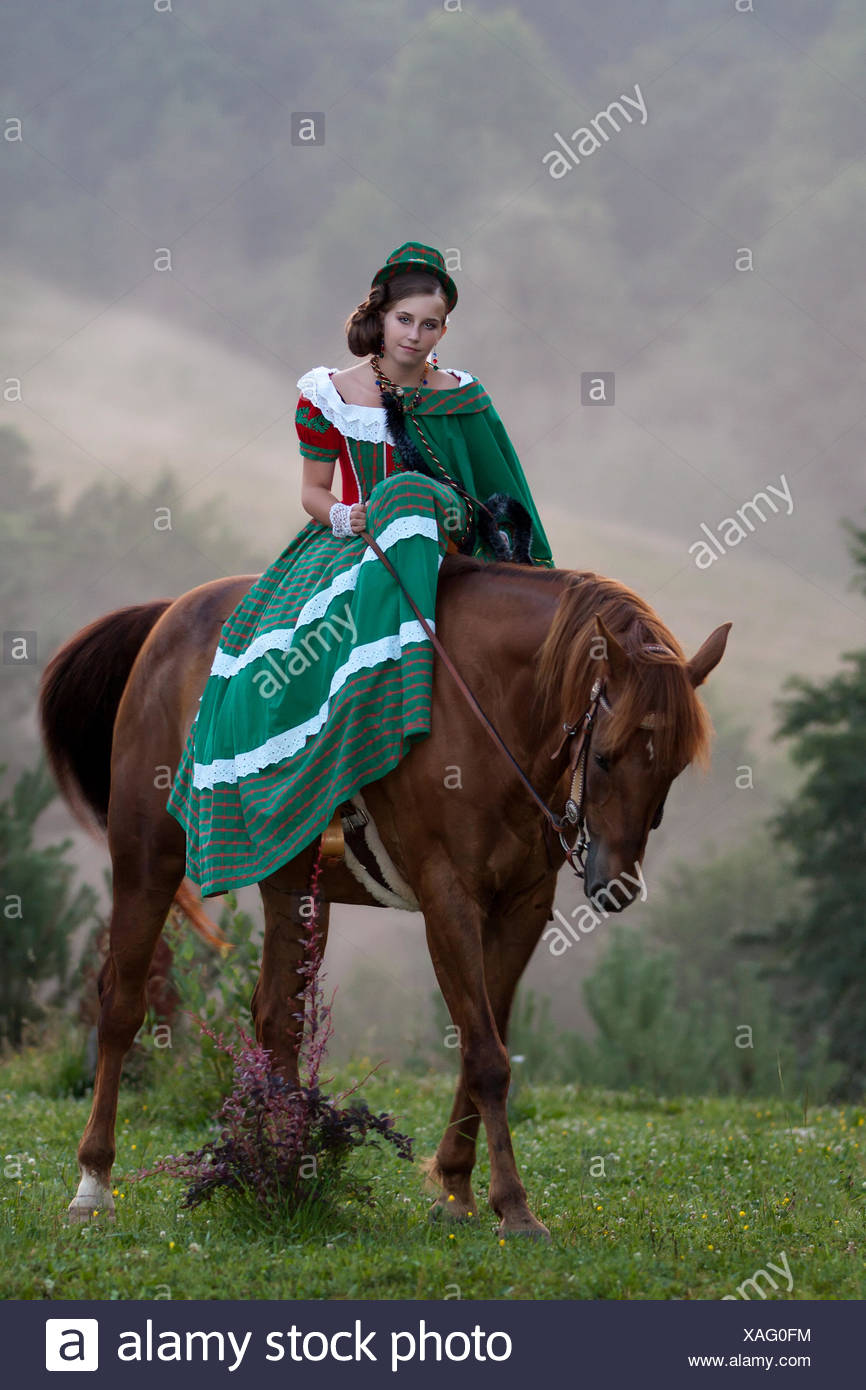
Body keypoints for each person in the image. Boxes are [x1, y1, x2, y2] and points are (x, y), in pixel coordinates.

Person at [165, 242, 555, 897]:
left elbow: (499, 488)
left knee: (411, 498)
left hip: (447, 542)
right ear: (381, 316)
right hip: (353, 541)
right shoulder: (329, 396)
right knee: (277, 656)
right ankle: (327, 781)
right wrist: (353, 518)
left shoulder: (463, 399)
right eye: (405, 320)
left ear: (444, 331)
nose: (416, 336)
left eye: (430, 325)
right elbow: (313, 494)